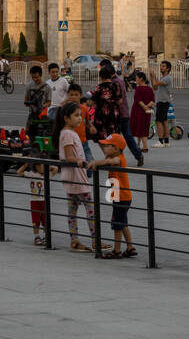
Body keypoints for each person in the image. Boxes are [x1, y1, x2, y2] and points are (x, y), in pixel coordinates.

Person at [56, 102, 99, 253]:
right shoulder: (68, 133)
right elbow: (68, 156)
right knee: (91, 211)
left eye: (80, 115)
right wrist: (80, 161)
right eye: (76, 115)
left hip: (71, 179)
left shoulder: (69, 132)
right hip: (77, 179)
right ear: (66, 118)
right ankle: (96, 241)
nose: (80, 118)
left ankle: (74, 241)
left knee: (72, 212)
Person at [87, 134, 136, 259]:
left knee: (117, 224)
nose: (103, 147)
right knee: (123, 222)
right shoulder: (113, 155)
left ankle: (117, 251)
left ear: (116, 148)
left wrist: (96, 162)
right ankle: (130, 247)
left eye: (107, 146)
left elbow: (111, 162)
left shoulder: (119, 158)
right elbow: (108, 161)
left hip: (121, 197)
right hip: (121, 196)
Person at [129, 71, 154, 156]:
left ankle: (145, 146)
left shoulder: (138, 88)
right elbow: (152, 100)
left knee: (140, 128)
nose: (136, 80)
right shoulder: (149, 89)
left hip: (138, 111)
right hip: (147, 112)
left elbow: (138, 100)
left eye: (136, 78)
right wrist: (147, 106)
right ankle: (138, 144)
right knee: (143, 127)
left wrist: (144, 107)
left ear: (141, 79)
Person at [149, 60, 173, 146]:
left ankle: (160, 141)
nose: (161, 67)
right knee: (164, 121)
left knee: (159, 121)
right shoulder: (163, 78)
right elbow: (154, 87)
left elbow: (155, 83)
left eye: (163, 66)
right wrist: (152, 77)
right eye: (161, 66)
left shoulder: (167, 78)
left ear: (168, 69)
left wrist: (154, 75)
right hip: (161, 101)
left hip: (163, 101)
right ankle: (166, 141)